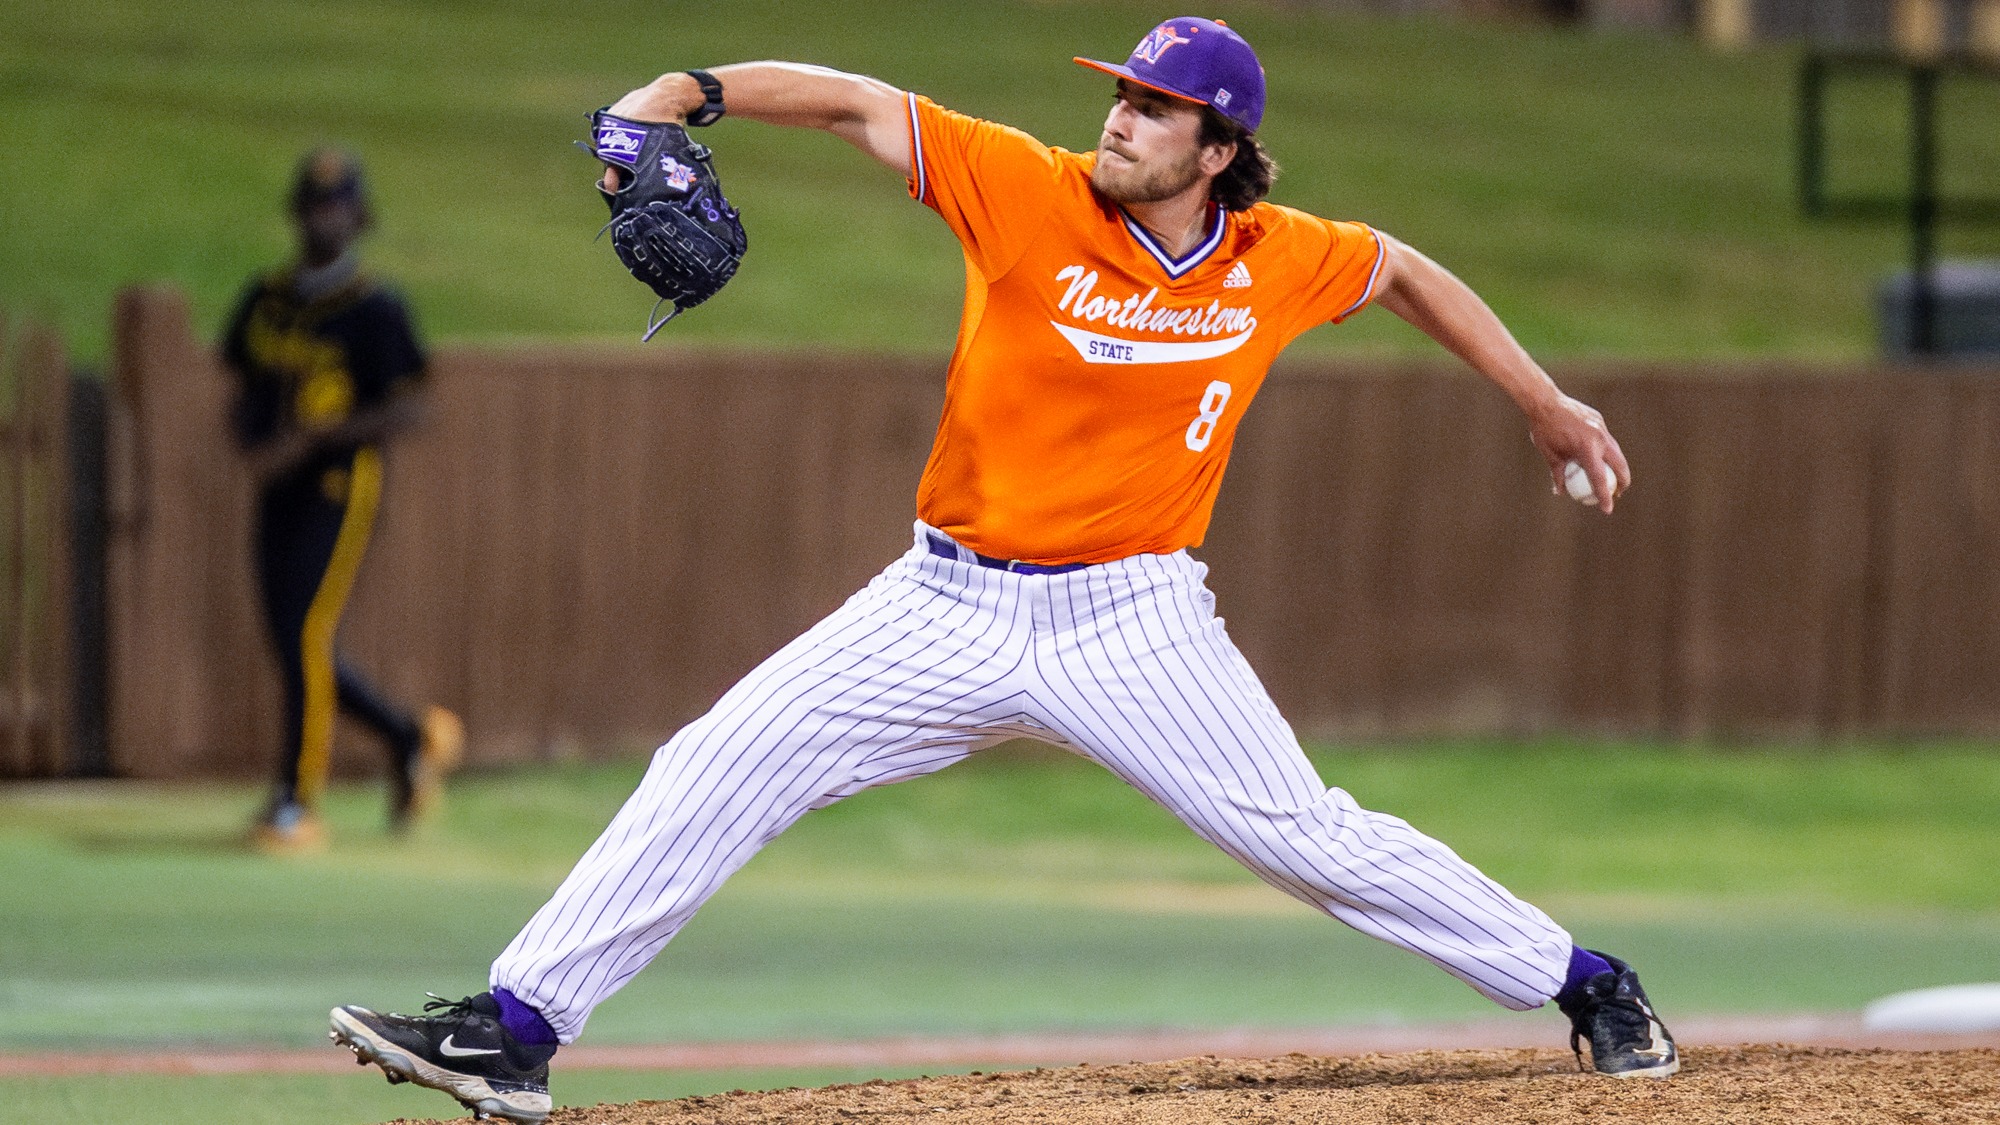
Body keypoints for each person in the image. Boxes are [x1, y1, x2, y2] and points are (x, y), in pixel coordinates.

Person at [329, 18, 1673, 1123]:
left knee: (1308, 837)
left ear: (1221, 148)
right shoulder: (1024, 187)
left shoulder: (1278, 260)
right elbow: (858, 102)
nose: (1123, 120)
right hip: (943, 600)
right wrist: (685, 94)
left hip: (1133, 617)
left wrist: (1543, 401)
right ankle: (517, 1028)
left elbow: (1405, 273)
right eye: (1123, 95)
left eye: (1156, 107)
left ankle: (1588, 982)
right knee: (718, 758)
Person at [220, 147, 463, 853]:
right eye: (314, 204)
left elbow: (412, 407)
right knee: (296, 643)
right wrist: (251, 439)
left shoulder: (373, 308)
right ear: (298, 213)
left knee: (305, 635)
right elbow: (243, 381)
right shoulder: (267, 298)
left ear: (359, 216)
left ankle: (297, 801)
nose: (325, 217)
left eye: (338, 205)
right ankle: (410, 737)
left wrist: (319, 438)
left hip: (338, 486)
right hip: (278, 486)